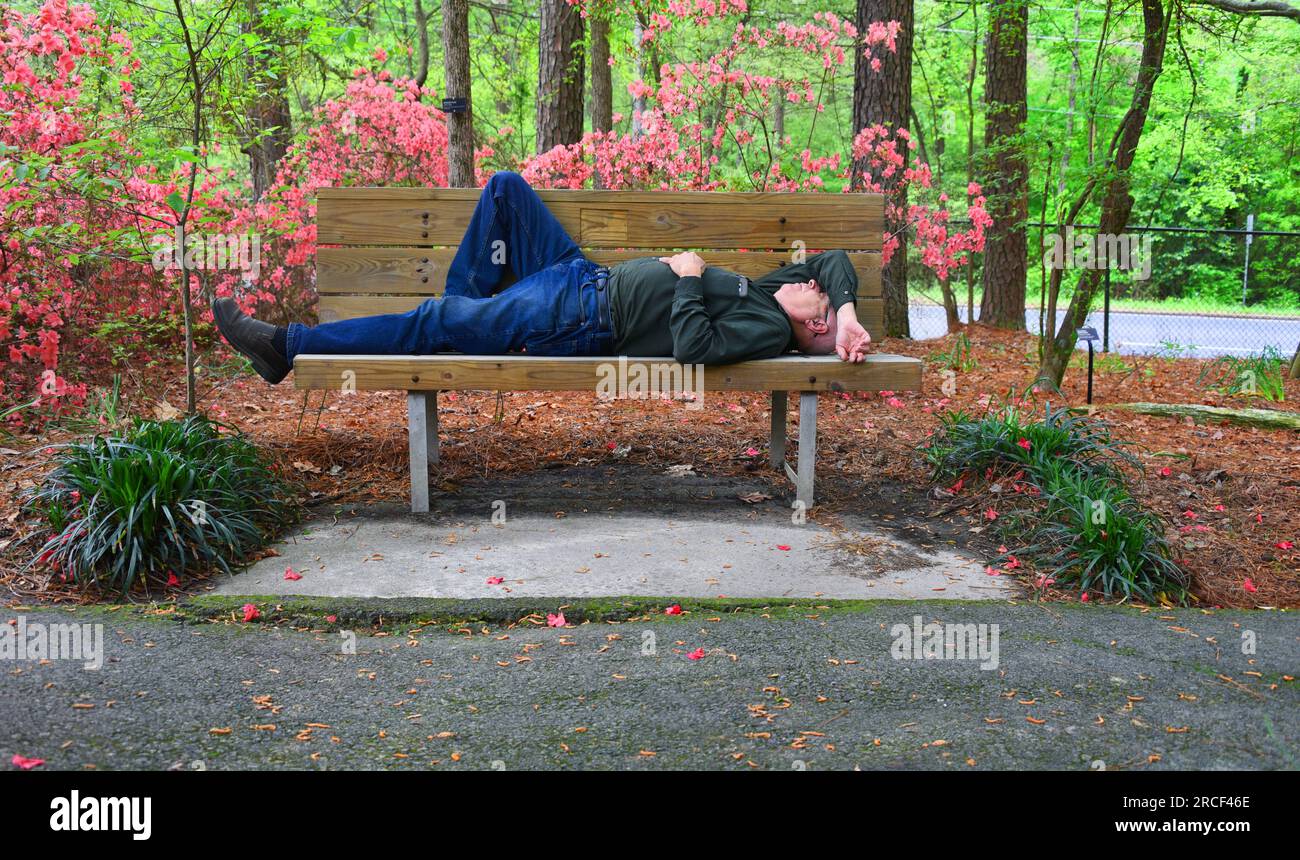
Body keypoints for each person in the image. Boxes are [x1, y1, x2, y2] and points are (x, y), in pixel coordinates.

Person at [213, 171, 872, 384]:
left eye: (808, 290)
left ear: (806, 319)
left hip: (579, 316)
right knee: (505, 191)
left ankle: (287, 347)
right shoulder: (775, 299)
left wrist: (691, 274)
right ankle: (466, 317)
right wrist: (846, 312)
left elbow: (693, 349)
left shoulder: (762, 323)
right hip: (580, 281)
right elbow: (831, 263)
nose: (801, 275)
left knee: (432, 324)